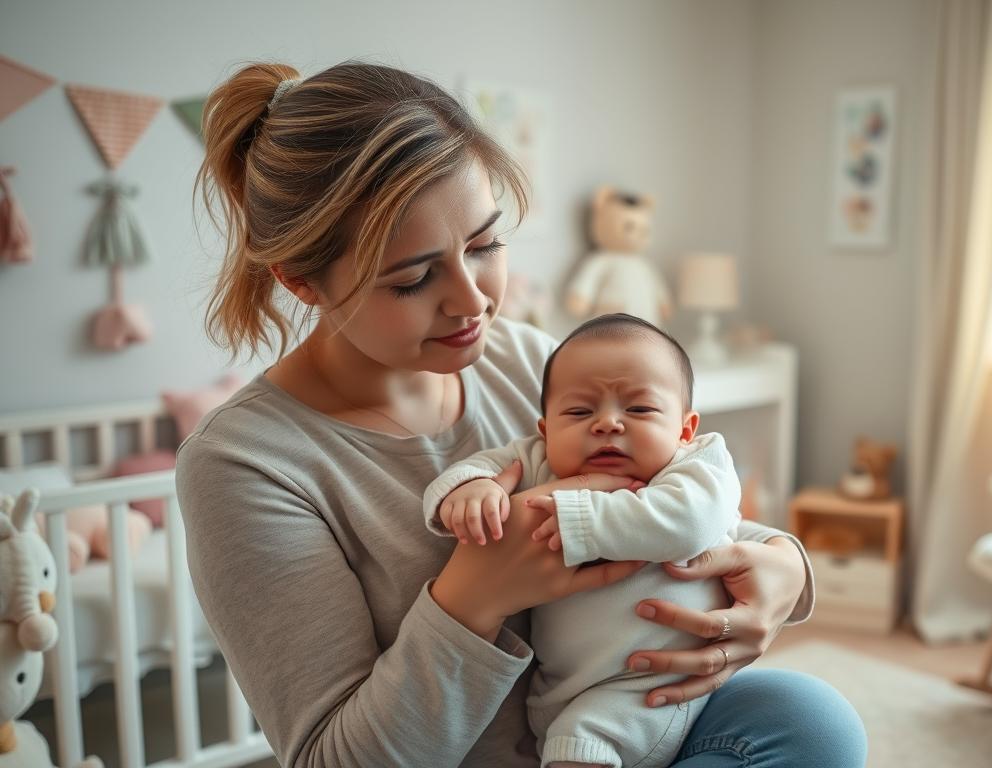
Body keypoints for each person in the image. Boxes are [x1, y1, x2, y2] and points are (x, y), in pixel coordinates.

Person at [178, 60, 867, 768]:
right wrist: (473, 597)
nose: (472, 301)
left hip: (625, 725)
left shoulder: (529, 359)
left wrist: (781, 568)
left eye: (485, 245)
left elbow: (680, 473)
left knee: (809, 720)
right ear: (300, 280)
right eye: (414, 278)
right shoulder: (246, 465)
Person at [426, 313, 742, 768]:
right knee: (563, 740)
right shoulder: (538, 462)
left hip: (649, 684)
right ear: (546, 430)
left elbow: (688, 524)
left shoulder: (698, 464)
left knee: (580, 744)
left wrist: (583, 521)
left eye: (639, 409)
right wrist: (470, 491)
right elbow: (474, 470)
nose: (608, 423)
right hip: (557, 688)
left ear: (684, 429)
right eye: (578, 412)